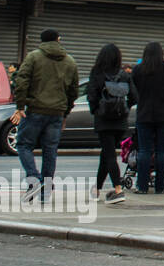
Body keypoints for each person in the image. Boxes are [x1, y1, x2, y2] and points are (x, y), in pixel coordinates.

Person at [12, 28, 79, 203]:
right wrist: (66, 111)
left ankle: (35, 179)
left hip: (35, 109)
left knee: (24, 145)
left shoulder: (34, 57)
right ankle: (45, 192)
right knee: (50, 151)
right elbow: (73, 90)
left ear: (42, 41)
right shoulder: (70, 61)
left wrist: (20, 106)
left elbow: (22, 81)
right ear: (58, 39)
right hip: (57, 113)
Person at [85, 43, 136, 205]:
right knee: (106, 154)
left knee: (109, 155)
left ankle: (118, 189)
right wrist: (125, 108)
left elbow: (91, 95)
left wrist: (96, 110)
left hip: (104, 120)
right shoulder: (124, 75)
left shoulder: (97, 73)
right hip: (120, 120)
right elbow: (135, 96)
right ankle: (97, 189)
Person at [130, 41, 164, 194]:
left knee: (144, 151)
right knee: (162, 151)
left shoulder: (138, 69)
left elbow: (133, 91)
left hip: (144, 114)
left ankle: (142, 186)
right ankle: (160, 186)